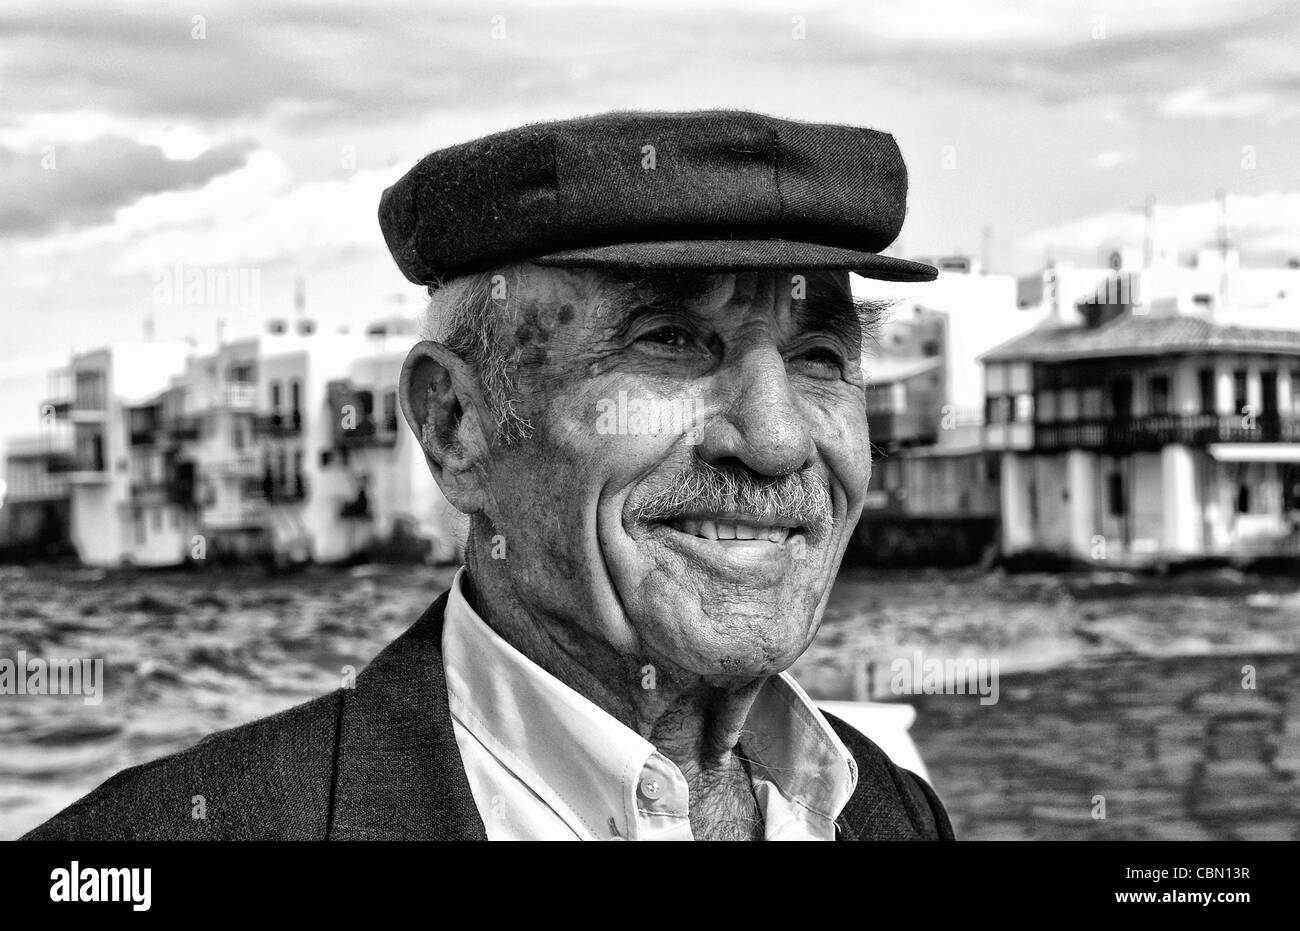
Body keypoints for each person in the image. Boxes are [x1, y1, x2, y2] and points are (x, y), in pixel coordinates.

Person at [25, 110, 952, 840]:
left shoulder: (892, 814)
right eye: (670, 340)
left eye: (820, 356)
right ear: (454, 424)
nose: (777, 439)